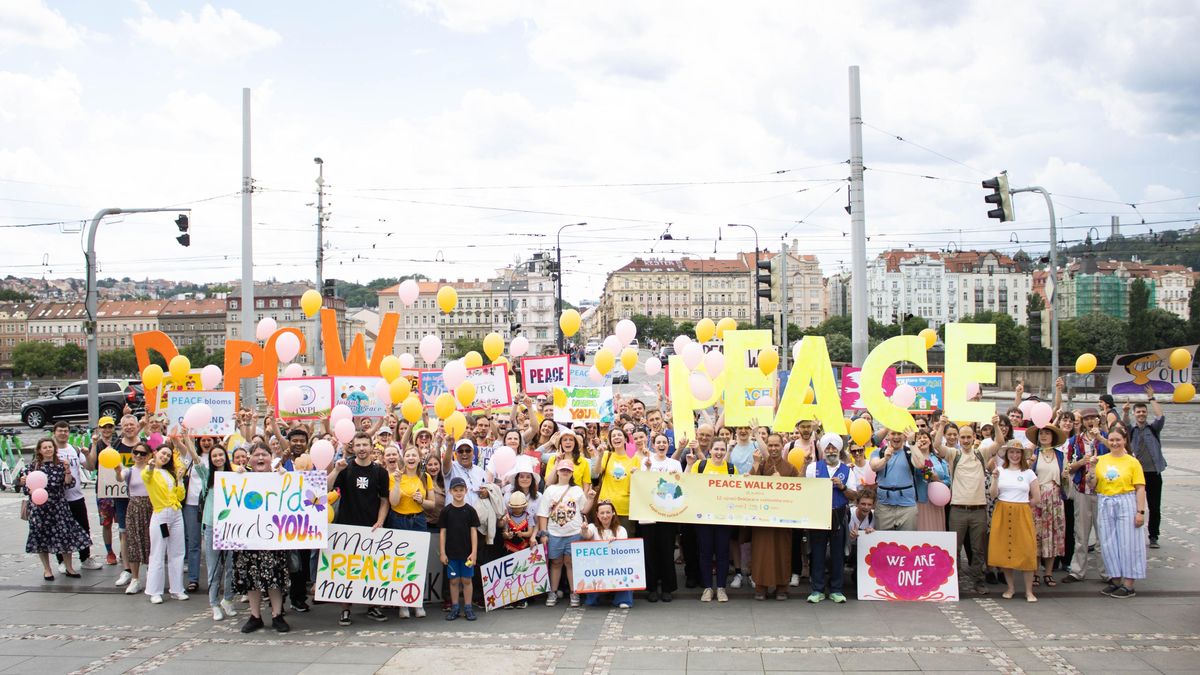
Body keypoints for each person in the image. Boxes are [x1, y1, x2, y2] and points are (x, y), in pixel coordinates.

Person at [328, 433, 390, 625]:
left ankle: (372, 606)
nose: (362, 448)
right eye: (358, 445)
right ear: (352, 448)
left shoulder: (380, 472)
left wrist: (380, 521)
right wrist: (336, 471)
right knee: (347, 570)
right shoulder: (345, 468)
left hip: (371, 527)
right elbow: (327, 487)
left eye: (365, 444)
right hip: (347, 526)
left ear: (372, 446)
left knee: (371, 569)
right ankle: (345, 609)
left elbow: (384, 501)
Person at [233, 443, 292, 633]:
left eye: (264, 455)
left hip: (273, 538)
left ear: (271, 457)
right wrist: (236, 478)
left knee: (274, 577)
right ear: (249, 459)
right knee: (251, 578)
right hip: (248, 537)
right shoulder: (241, 478)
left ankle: (277, 615)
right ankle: (255, 615)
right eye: (256, 455)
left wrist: (287, 479)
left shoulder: (280, 477)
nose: (260, 458)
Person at [934, 422, 994, 596]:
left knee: (978, 549)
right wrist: (941, 426)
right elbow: (937, 445)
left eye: (969, 437)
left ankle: (979, 581)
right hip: (958, 508)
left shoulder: (981, 453)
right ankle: (954, 582)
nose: (966, 440)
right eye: (963, 437)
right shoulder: (954, 454)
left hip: (978, 509)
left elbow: (998, 442)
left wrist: (996, 425)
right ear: (958, 439)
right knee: (954, 548)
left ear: (974, 438)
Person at [20, 438, 92, 581]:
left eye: (50, 447)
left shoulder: (60, 465)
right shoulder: (33, 467)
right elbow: (26, 489)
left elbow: (68, 484)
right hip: (39, 508)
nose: (48, 449)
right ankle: (47, 569)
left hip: (59, 506)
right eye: (45, 447)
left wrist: (67, 471)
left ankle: (69, 567)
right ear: (39, 450)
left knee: (65, 537)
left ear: (54, 449)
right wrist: (24, 482)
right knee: (41, 538)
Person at [185, 438, 239, 621]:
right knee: (214, 567)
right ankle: (214, 603)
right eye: (214, 455)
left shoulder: (234, 475)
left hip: (231, 526)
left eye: (220, 455)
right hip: (211, 525)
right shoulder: (207, 474)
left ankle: (228, 599)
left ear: (225, 457)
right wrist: (187, 438)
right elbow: (194, 457)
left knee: (231, 567)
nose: (217, 458)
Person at [1090, 426, 1147, 598]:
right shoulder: (1101, 460)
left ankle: (1129, 583)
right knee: (1108, 542)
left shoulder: (1132, 462)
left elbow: (1140, 487)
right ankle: (1115, 579)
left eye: (1118, 440)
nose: (1115, 443)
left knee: (1128, 542)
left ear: (1124, 441)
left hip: (1125, 500)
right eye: (1112, 440)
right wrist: (1092, 468)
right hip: (1105, 500)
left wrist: (1140, 512)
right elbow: (1093, 485)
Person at [805, 433, 858, 604]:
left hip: (839, 515)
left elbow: (854, 495)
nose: (830, 450)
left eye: (833, 447)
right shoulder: (813, 468)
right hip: (819, 515)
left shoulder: (847, 470)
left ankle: (836, 589)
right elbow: (805, 490)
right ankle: (817, 589)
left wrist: (842, 487)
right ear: (823, 449)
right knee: (817, 553)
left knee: (838, 553)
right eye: (827, 447)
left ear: (839, 450)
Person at [988, 440, 1041, 602]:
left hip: (1022, 511)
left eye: (1018, 452)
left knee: (1026, 549)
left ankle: (1028, 591)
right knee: (1005, 550)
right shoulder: (1000, 471)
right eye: (1012, 452)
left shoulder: (1029, 473)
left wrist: (1023, 507)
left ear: (1022, 455)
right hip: (1002, 511)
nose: (1015, 455)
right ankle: (1010, 587)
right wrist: (995, 479)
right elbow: (993, 494)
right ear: (1007, 454)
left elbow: (1036, 498)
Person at [537, 463, 594, 608]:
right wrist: (543, 533)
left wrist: (591, 499)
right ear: (557, 471)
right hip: (555, 533)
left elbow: (584, 509)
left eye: (568, 470)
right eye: (562, 469)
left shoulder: (577, 490)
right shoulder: (550, 490)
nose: (565, 472)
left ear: (572, 473)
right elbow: (543, 513)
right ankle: (553, 592)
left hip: (574, 533)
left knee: (571, 563)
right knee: (556, 563)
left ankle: (574, 592)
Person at [1062, 409, 1108, 583]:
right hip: (1082, 490)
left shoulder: (1105, 437)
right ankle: (1077, 571)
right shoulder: (1075, 441)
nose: (1090, 422)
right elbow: (1068, 468)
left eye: (1092, 419)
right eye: (1086, 419)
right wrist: (1080, 463)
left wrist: (1101, 436)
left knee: (1103, 534)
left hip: (1102, 491)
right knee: (1080, 534)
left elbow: (1118, 452)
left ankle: (1106, 572)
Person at [751, 433, 798, 601]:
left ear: (782, 446)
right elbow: (750, 487)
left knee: (782, 551)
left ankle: (781, 587)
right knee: (761, 552)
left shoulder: (790, 468)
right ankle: (761, 586)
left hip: (782, 518)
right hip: (763, 518)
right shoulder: (762, 464)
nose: (773, 449)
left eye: (776, 445)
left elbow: (798, 491)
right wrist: (756, 464)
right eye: (770, 445)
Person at [50, 421, 101, 573]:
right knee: (60, 530)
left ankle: (85, 558)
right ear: (54, 432)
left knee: (83, 528)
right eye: (60, 431)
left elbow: (91, 466)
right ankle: (62, 561)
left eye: (66, 431)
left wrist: (88, 451)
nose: (63, 433)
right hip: (58, 499)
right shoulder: (50, 450)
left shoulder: (74, 449)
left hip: (76, 496)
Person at [638, 432, 682, 602]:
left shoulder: (675, 463)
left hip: (668, 513)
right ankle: (651, 588)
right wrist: (648, 469)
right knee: (650, 551)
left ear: (668, 445)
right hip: (649, 513)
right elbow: (643, 484)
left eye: (664, 442)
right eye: (658, 442)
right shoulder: (646, 461)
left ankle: (667, 587)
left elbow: (682, 483)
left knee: (667, 550)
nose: (662, 445)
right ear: (653, 444)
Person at [691, 439, 738, 603]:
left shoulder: (731, 469)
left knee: (723, 553)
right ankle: (707, 588)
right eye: (716, 449)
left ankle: (721, 588)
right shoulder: (700, 466)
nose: (719, 452)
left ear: (726, 451)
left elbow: (738, 491)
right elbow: (690, 486)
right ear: (710, 450)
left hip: (724, 518)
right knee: (705, 553)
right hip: (703, 518)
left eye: (722, 449)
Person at [143, 441, 187, 605]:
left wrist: (181, 480)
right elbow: (146, 475)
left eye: (168, 455)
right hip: (161, 514)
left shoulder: (170, 474)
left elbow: (180, 496)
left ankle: (177, 589)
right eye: (163, 453)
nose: (165, 457)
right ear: (156, 453)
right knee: (158, 552)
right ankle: (154, 590)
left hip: (176, 512)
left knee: (177, 552)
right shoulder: (151, 472)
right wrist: (150, 466)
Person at [1122, 390, 1165, 549]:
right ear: (1134, 414)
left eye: (1143, 412)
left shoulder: (1153, 429)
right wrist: (1125, 412)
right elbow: (1124, 424)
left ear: (1146, 413)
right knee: (1134, 506)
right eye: (1138, 412)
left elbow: (1160, 417)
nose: (1141, 414)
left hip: (1154, 473)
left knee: (1155, 506)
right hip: (1136, 475)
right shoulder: (1131, 431)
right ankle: (1132, 534)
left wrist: (1152, 398)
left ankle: (1153, 536)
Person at [1027, 424, 1067, 588]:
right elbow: (1026, 475)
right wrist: (1029, 463)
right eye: (1041, 433)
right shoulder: (1033, 454)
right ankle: (1035, 572)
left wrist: (1065, 478)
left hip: (1055, 499)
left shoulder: (1060, 456)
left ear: (1053, 437)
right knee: (1037, 536)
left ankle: (1049, 572)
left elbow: (1065, 478)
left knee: (1053, 536)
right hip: (1038, 498)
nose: (1043, 436)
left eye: (1047, 433)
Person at [869, 429, 926, 531]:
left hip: (907, 508)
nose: (896, 437)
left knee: (908, 543)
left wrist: (912, 443)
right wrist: (885, 458)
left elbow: (920, 464)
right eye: (893, 434)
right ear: (888, 436)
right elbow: (874, 466)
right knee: (884, 542)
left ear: (904, 436)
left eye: (899, 433)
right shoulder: (878, 452)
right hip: (884, 507)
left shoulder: (910, 451)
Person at [440, 476, 480, 621]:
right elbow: (443, 532)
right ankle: (455, 607)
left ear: (466, 491)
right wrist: (443, 552)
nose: (458, 493)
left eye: (461, 490)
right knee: (454, 581)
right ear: (450, 491)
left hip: (467, 554)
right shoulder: (446, 511)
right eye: (455, 490)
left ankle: (468, 607)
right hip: (451, 554)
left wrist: (474, 552)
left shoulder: (470, 511)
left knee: (467, 580)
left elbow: (473, 532)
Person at [582, 500, 633, 609]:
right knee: (590, 571)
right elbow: (586, 535)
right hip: (598, 565)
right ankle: (594, 598)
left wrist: (615, 543)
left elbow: (624, 550)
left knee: (626, 570)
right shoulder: (592, 527)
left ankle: (623, 599)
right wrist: (584, 529)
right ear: (597, 515)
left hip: (616, 564)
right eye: (602, 513)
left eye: (608, 512)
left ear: (613, 513)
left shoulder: (621, 530)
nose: (605, 516)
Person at [87, 416, 118, 565]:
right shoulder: (97, 444)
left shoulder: (118, 442)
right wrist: (93, 444)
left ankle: (123, 551)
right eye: (104, 427)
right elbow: (92, 465)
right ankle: (109, 551)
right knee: (106, 523)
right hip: (103, 488)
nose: (107, 430)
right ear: (99, 428)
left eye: (109, 427)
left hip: (120, 487)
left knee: (123, 523)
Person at [913, 429, 949, 532]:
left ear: (930, 441)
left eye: (925, 437)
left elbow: (948, 480)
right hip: (920, 501)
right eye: (919, 438)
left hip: (937, 503)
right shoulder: (912, 458)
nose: (922, 439)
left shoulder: (939, 460)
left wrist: (938, 481)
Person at [846, 490, 876, 584]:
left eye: (869, 504)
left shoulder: (875, 516)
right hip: (846, 549)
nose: (866, 507)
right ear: (856, 503)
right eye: (863, 504)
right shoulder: (847, 513)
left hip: (864, 551)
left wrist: (874, 534)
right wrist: (849, 536)